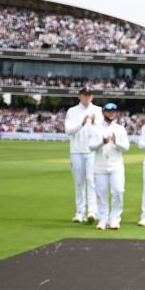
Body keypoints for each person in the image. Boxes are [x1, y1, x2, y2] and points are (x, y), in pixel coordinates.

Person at [63, 85, 102, 223]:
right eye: (85, 94)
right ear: (79, 96)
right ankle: (80, 212)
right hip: (76, 151)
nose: (87, 97)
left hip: (91, 151)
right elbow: (68, 131)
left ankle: (92, 211)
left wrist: (94, 121)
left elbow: (101, 130)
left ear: (92, 96)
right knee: (79, 183)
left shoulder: (98, 110)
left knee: (91, 181)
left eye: (89, 94)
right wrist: (82, 123)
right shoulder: (72, 111)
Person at [89, 102, 129, 230]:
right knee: (102, 194)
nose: (112, 113)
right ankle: (103, 219)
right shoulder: (96, 129)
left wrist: (116, 142)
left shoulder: (120, 129)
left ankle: (115, 218)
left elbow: (126, 147)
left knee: (118, 191)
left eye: (113, 111)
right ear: (103, 112)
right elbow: (91, 147)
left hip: (116, 166)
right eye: (109, 111)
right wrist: (102, 142)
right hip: (100, 166)